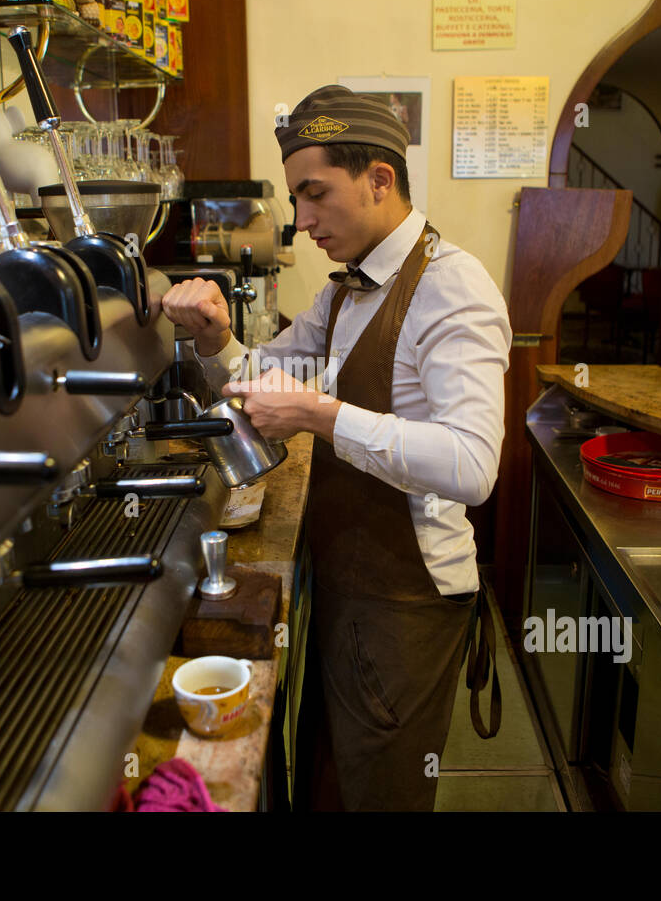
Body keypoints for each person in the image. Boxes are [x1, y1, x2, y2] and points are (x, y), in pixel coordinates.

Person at [160, 85, 511, 811]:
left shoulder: (453, 288)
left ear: (380, 179)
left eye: (315, 195)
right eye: (296, 199)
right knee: (338, 780)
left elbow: (473, 466)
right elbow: (271, 376)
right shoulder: (347, 291)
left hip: (407, 604)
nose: (303, 222)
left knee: (379, 790)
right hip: (350, 579)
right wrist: (217, 341)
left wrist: (321, 414)